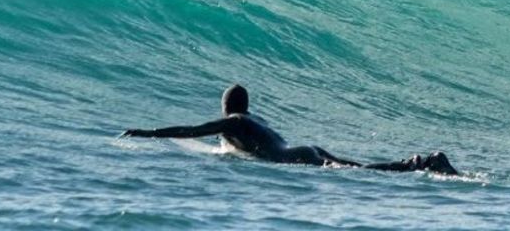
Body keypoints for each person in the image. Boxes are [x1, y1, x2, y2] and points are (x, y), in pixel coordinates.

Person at [119, 84, 458, 175]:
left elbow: (191, 130)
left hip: (296, 157)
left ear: (226, 107)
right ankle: (418, 162)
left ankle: (422, 162)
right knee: (359, 169)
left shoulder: (233, 122)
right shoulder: (255, 120)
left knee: (362, 171)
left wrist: (146, 133)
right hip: (304, 149)